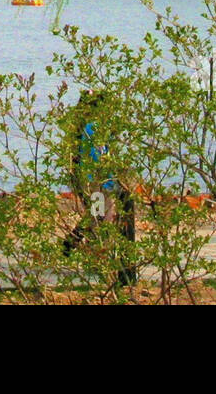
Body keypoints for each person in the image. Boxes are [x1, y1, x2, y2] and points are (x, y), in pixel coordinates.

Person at [60, 90, 137, 286]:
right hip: (99, 181)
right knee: (103, 218)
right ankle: (94, 255)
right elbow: (99, 157)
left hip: (89, 180)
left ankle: (75, 244)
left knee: (96, 216)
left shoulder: (82, 125)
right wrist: (113, 179)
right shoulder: (94, 128)